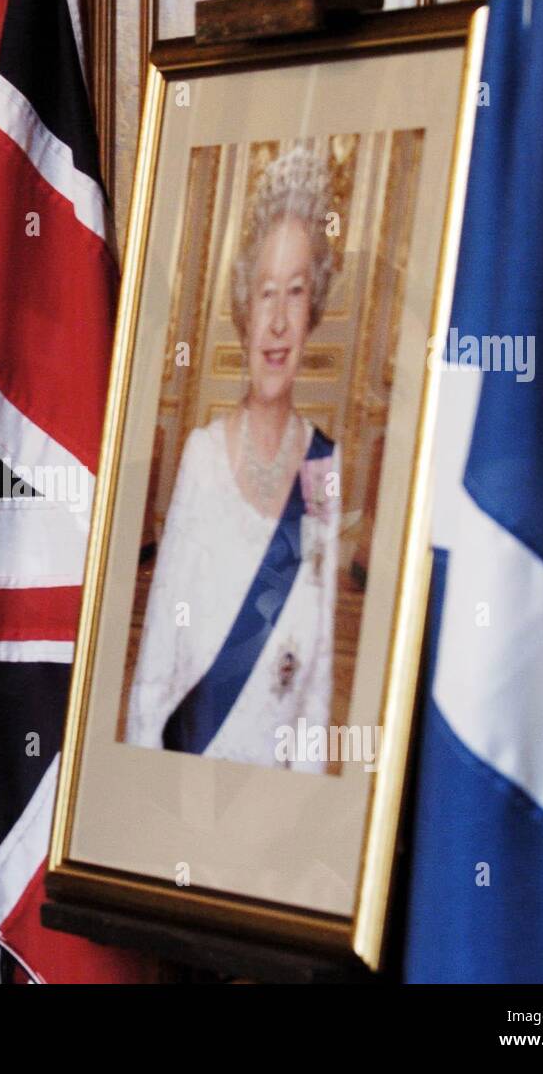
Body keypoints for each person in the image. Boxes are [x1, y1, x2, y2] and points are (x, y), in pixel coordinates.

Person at [125, 145, 341, 772]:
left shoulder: (324, 466)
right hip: (194, 761)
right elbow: (163, 636)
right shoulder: (201, 455)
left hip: (274, 784)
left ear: (314, 310)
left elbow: (321, 652)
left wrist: (306, 793)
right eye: (266, 294)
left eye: (295, 293)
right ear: (245, 312)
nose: (277, 321)